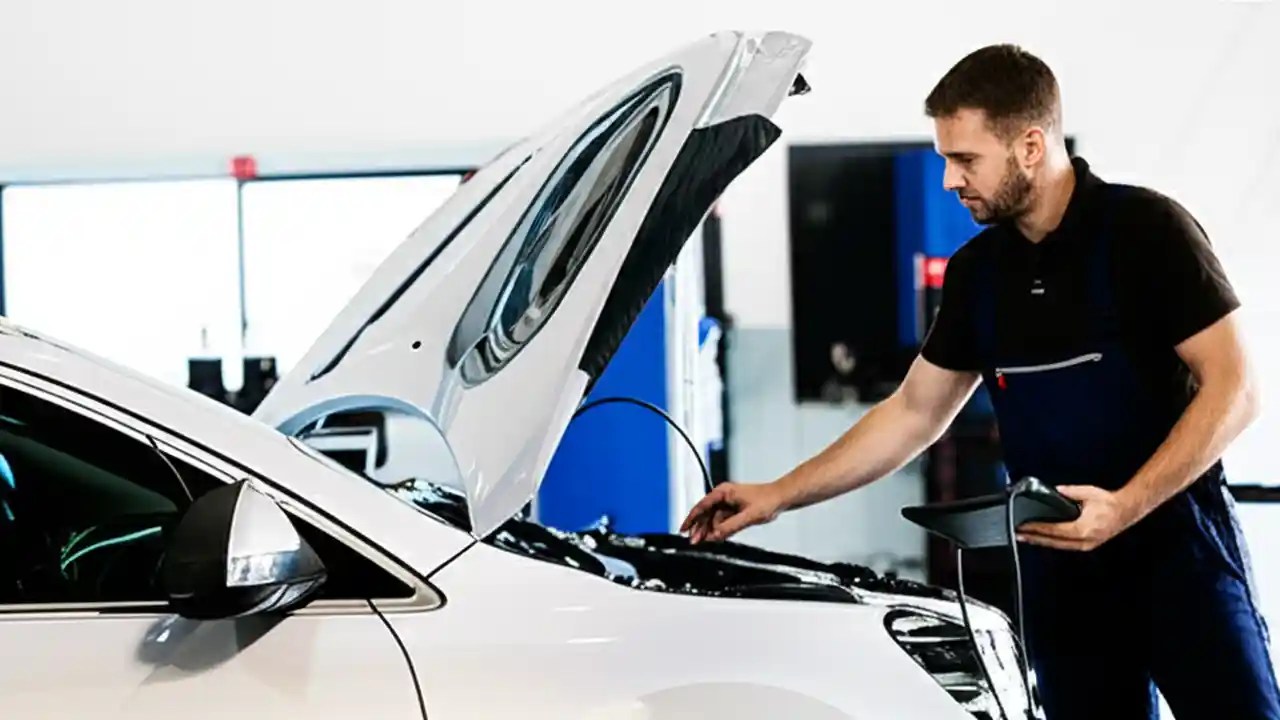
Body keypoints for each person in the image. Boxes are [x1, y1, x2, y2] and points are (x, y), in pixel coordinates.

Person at [681, 44, 1280, 719]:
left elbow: (1237, 387)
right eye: (944, 159)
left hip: (1181, 556)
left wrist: (1126, 505)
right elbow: (912, 412)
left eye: (965, 159)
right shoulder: (976, 275)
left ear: (1029, 146)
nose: (948, 180)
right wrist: (777, 494)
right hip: (1061, 573)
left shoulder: (1147, 233)